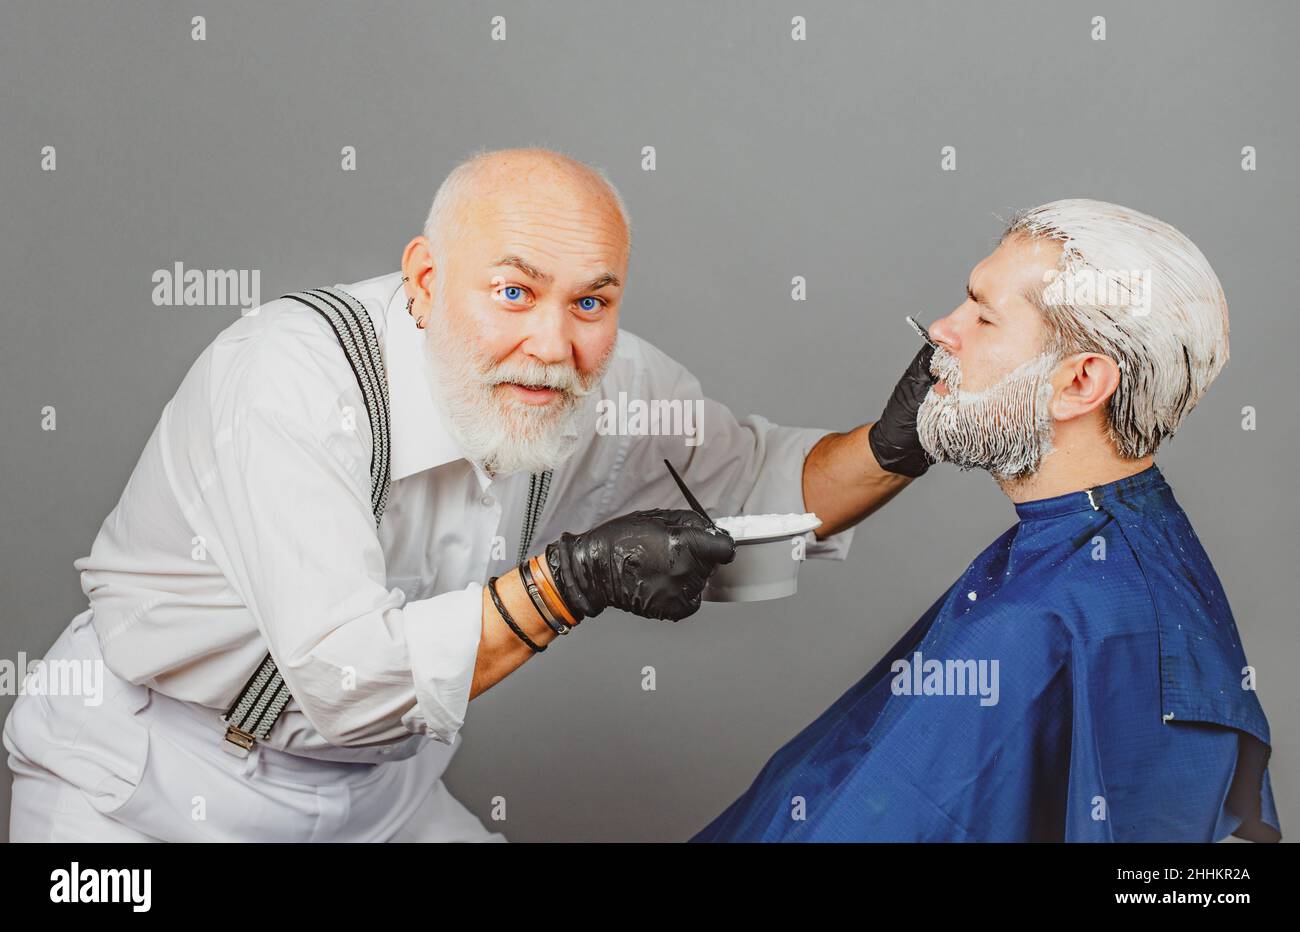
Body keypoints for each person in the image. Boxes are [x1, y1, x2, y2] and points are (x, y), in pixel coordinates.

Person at [4, 147, 936, 841]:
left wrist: (898, 446)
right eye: (512, 292)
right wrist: (573, 583)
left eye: (590, 303)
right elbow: (348, 680)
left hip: (385, 800)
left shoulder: (605, 380)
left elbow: (756, 490)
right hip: (148, 788)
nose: (549, 344)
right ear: (424, 280)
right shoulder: (286, 378)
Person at [694, 199, 1281, 843]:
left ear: (1081, 382)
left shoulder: (1054, 617)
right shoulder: (1104, 548)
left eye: (983, 315)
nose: (942, 329)